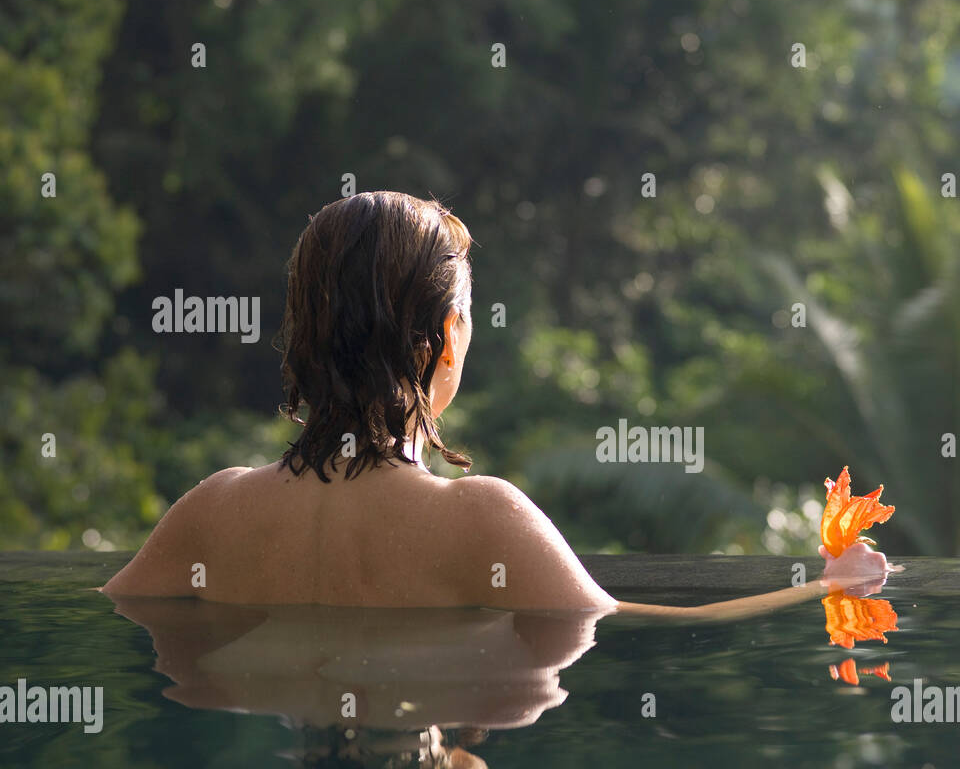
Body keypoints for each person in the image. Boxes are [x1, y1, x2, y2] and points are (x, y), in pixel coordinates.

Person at [101, 192, 886, 617]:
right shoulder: (480, 521)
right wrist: (829, 582)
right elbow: (662, 627)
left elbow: (119, 624)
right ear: (446, 336)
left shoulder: (212, 512)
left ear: (302, 331)